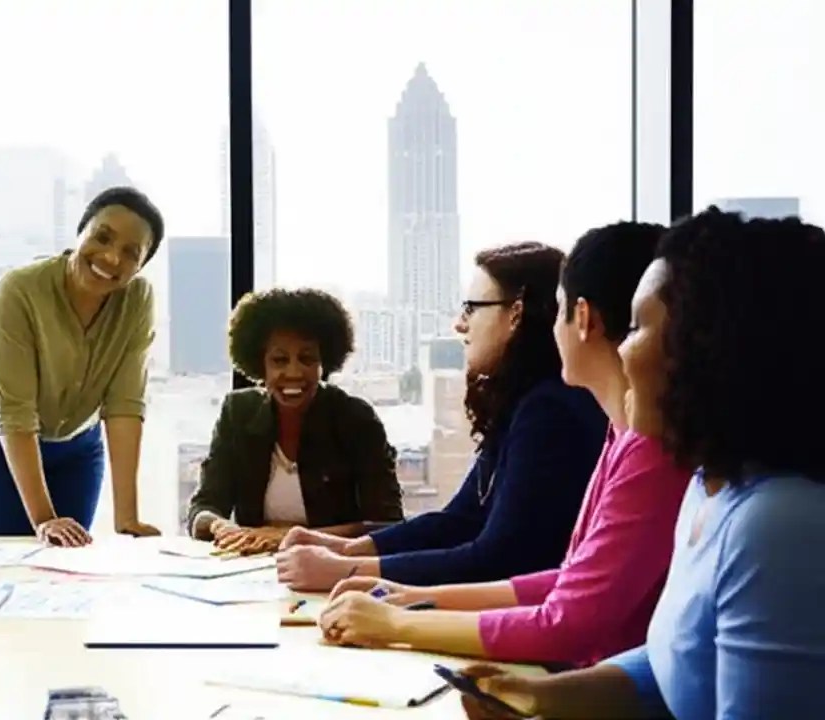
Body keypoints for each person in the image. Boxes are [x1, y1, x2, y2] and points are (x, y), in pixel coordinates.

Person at [459, 209, 825, 720]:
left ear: (704, 349)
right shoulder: (707, 488)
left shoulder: (777, 523)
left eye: (635, 328)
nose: (622, 353)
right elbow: (675, 662)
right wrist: (542, 699)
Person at [319, 222, 693, 668]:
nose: (460, 324)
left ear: (583, 318)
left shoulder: (636, 445)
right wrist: (413, 598)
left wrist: (396, 620)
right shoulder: (618, 434)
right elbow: (566, 580)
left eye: (559, 311)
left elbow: (562, 620)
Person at [276, 242, 607, 591]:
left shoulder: (549, 414)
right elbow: (460, 520)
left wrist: (346, 571)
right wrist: (348, 549)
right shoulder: (523, 402)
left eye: (471, 309)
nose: (459, 325)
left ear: (516, 313)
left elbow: (496, 560)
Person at [0, 186, 164, 545]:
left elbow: (124, 405)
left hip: (77, 445)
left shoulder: (137, 300)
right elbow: (15, 412)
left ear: (140, 266)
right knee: (3, 560)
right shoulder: (19, 288)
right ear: (80, 232)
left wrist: (128, 518)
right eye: (102, 237)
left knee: (65, 566)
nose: (112, 257)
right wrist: (44, 519)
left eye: (131, 253)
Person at [187, 288, 405, 555]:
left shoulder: (355, 419)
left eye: (307, 358)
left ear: (323, 363)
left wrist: (290, 538)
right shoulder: (238, 413)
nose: (293, 372)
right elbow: (203, 508)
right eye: (279, 360)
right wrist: (221, 527)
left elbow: (387, 524)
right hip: (251, 571)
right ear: (261, 365)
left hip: (334, 568)